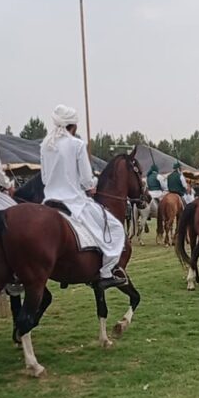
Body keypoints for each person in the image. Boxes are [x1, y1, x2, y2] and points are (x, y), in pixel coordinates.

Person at [40, 104, 126, 290]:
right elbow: (87, 180)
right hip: (73, 201)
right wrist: (91, 186)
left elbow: (45, 177)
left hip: (48, 200)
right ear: (74, 126)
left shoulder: (45, 145)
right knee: (115, 228)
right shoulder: (77, 144)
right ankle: (106, 272)